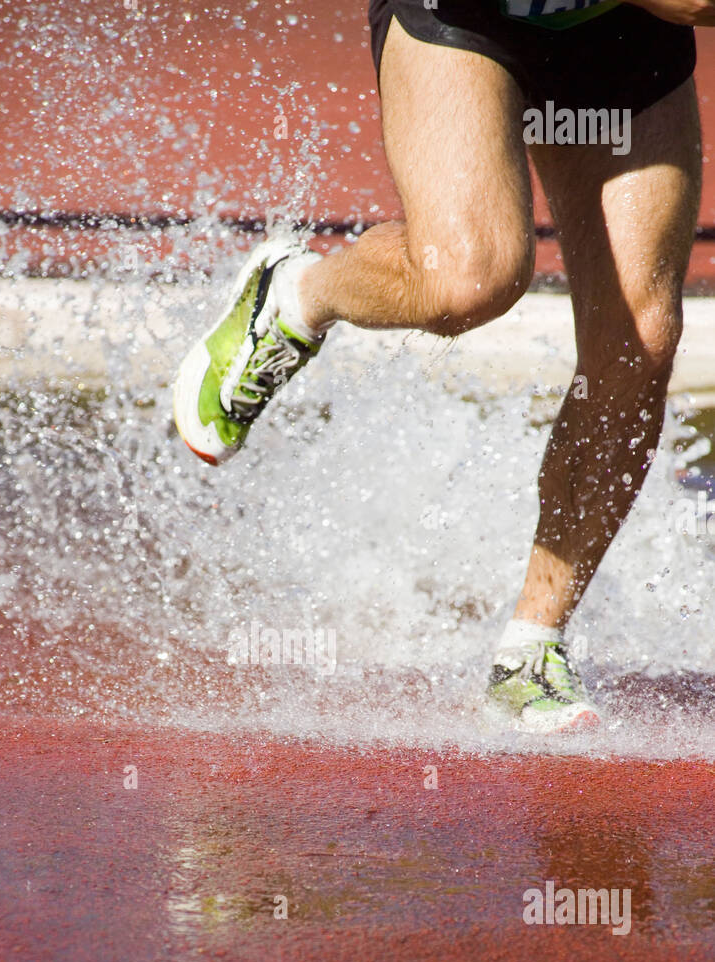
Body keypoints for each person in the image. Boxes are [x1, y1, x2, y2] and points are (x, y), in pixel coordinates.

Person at [174, 0, 709, 731]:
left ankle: (531, 649)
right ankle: (300, 293)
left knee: (639, 341)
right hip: (468, 13)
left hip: (621, 35)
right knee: (469, 278)